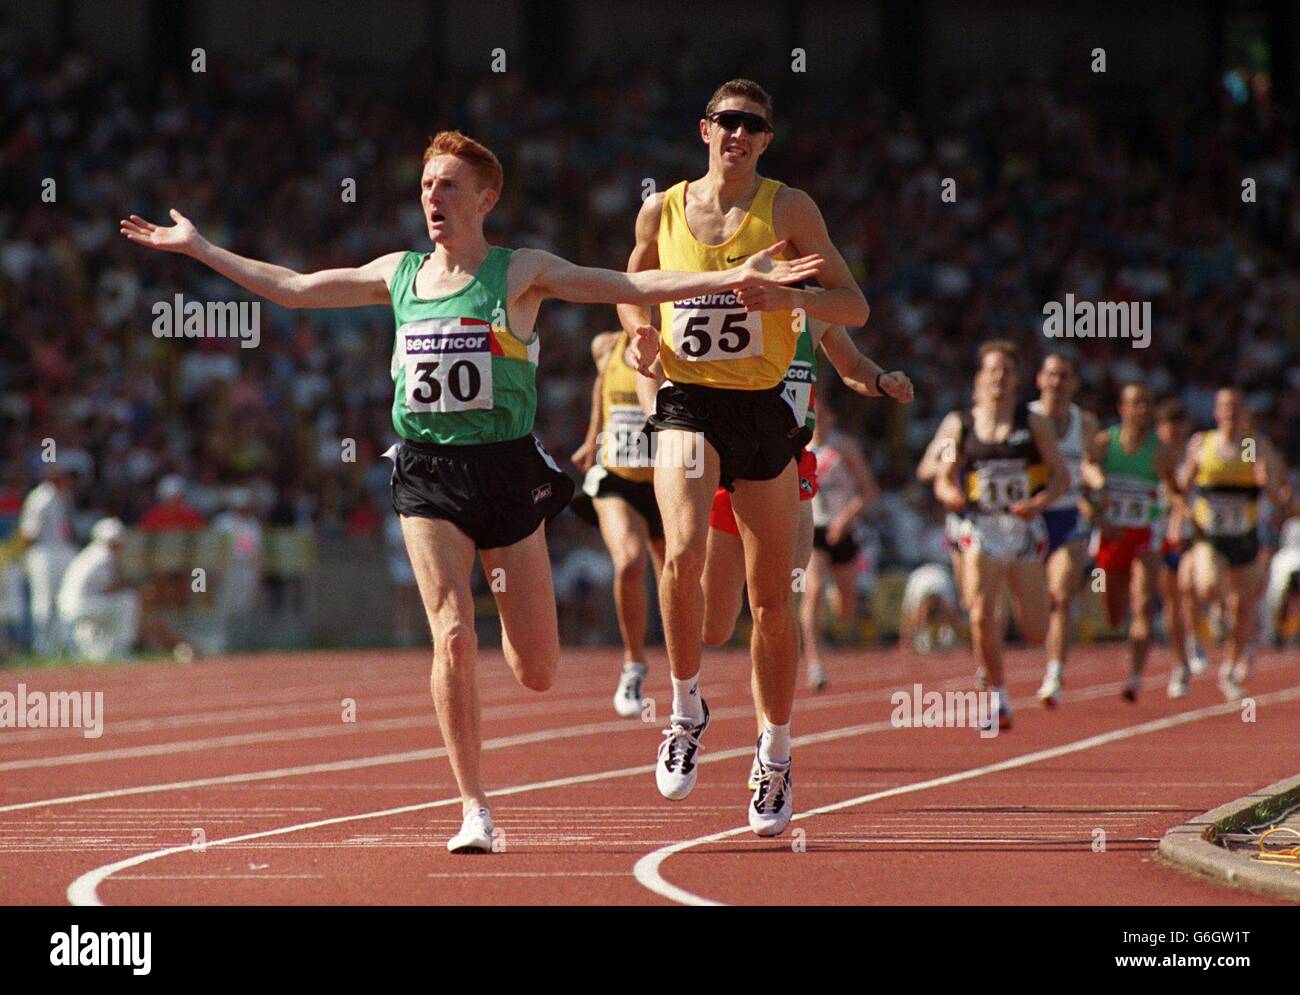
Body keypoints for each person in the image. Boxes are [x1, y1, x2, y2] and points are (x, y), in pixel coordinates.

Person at [122, 128, 820, 853]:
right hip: (426, 473)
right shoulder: (399, 273)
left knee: (537, 669)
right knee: (451, 632)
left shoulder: (520, 273)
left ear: (486, 198)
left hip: (508, 472)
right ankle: (474, 809)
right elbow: (295, 290)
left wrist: (727, 278)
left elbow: (632, 285)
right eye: (426, 185)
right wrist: (200, 248)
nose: (433, 197)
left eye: (449, 185)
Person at [619, 79, 869, 836]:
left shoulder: (788, 210)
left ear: (766, 139)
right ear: (704, 129)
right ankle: (685, 705)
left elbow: (851, 304)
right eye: (726, 121)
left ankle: (775, 751)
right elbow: (629, 284)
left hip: (764, 412)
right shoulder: (662, 209)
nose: (737, 133)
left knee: (769, 603)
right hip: (689, 402)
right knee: (682, 552)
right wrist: (639, 330)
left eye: (752, 125)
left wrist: (788, 302)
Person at [930, 341, 1068, 730]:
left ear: (1016, 380)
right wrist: (951, 494)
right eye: (992, 370)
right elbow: (941, 477)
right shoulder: (961, 424)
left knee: (1036, 631)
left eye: (1006, 371)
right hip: (982, 528)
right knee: (980, 613)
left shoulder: (1033, 424)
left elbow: (1062, 477)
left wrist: (1039, 503)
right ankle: (998, 698)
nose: (999, 378)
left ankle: (1036, 608)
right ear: (980, 378)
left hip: (1022, 529)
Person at [570, 327, 666, 716]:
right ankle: (634, 665)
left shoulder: (676, 344)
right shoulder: (605, 344)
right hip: (617, 479)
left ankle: (683, 680)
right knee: (629, 561)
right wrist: (593, 436)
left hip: (666, 481)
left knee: (677, 581)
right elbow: (600, 386)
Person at [1178, 387, 1291, 700]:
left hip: (1244, 537)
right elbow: (1182, 487)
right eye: (1224, 407)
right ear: (1216, 412)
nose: (1229, 412)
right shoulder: (1203, 444)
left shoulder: (1254, 447)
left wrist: (1265, 484)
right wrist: (1184, 491)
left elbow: (1279, 495)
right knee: (1207, 587)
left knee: (1241, 608)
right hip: (1211, 536)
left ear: (1244, 413)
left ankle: (1229, 670)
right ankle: (1216, 611)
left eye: (1235, 407)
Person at [1080, 383, 1184, 702]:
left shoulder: (1161, 451)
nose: (1141, 410)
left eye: (1147, 404)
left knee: (1142, 603)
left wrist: (1183, 514)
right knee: (1114, 614)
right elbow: (1082, 475)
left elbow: (1175, 490)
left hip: (1145, 535)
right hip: (1112, 534)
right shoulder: (1104, 443)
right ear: (1121, 409)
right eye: (1135, 403)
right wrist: (1096, 495)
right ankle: (1125, 630)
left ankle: (1135, 677)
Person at [1029, 353, 1098, 707]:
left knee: (1061, 594)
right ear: (1040, 379)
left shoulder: (1084, 423)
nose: (1057, 383)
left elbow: (1090, 465)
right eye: (1051, 375)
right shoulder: (1025, 419)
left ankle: (1054, 672)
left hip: (1068, 517)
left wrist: (1094, 488)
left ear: (1074, 384)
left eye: (1064, 376)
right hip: (1027, 518)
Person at [800, 404, 880, 688]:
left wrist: (845, 519)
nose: (818, 420)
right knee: (813, 590)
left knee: (845, 609)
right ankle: (814, 663)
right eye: (813, 415)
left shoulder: (844, 448)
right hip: (813, 530)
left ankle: (836, 587)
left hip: (843, 529)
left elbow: (869, 491)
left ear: (832, 417)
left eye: (823, 415)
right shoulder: (796, 445)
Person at [57, 518, 193, 662]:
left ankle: (114, 649)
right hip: (82, 606)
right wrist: (139, 591)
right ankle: (123, 648)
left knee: (126, 601)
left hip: (75, 605)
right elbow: (110, 587)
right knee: (129, 601)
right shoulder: (103, 556)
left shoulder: (91, 554)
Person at [1153, 399, 1207, 698]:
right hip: (1159, 536)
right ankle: (1179, 664)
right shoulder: (1154, 457)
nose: (1173, 433)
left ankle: (1195, 637)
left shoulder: (1193, 456)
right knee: (1171, 601)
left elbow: (1185, 493)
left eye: (1179, 428)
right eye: (1168, 428)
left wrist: (1187, 518)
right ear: (1160, 429)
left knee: (1189, 587)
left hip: (1189, 535)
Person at [18, 465, 78, 656]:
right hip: (42, 553)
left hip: (61, 550)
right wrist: (24, 559)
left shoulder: (62, 497)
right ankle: (41, 647)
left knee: (63, 598)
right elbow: (28, 533)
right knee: (42, 600)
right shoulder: (40, 498)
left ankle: (60, 646)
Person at [211, 488, 263, 652]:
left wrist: (258, 572)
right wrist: (216, 569)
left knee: (244, 606)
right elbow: (216, 547)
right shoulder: (222, 523)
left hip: (247, 568)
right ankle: (221, 642)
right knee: (225, 605)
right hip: (227, 567)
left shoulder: (253, 524)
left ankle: (240, 642)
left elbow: (257, 551)